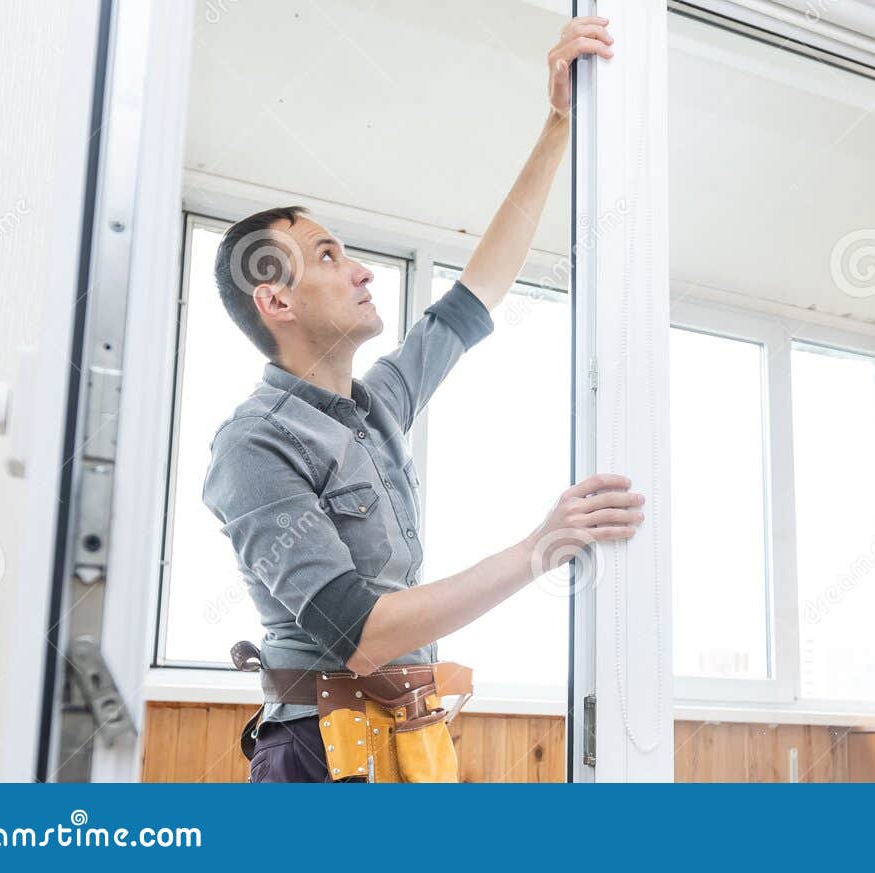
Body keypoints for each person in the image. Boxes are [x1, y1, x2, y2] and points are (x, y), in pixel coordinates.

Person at [200, 16, 637, 782]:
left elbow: (479, 293)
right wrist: (542, 546)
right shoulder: (253, 446)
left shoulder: (376, 407)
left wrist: (560, 122)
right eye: (330, 256)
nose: (362, 271)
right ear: (277, 302)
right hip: (315, 757)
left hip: (403, 743)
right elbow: (360, 634)